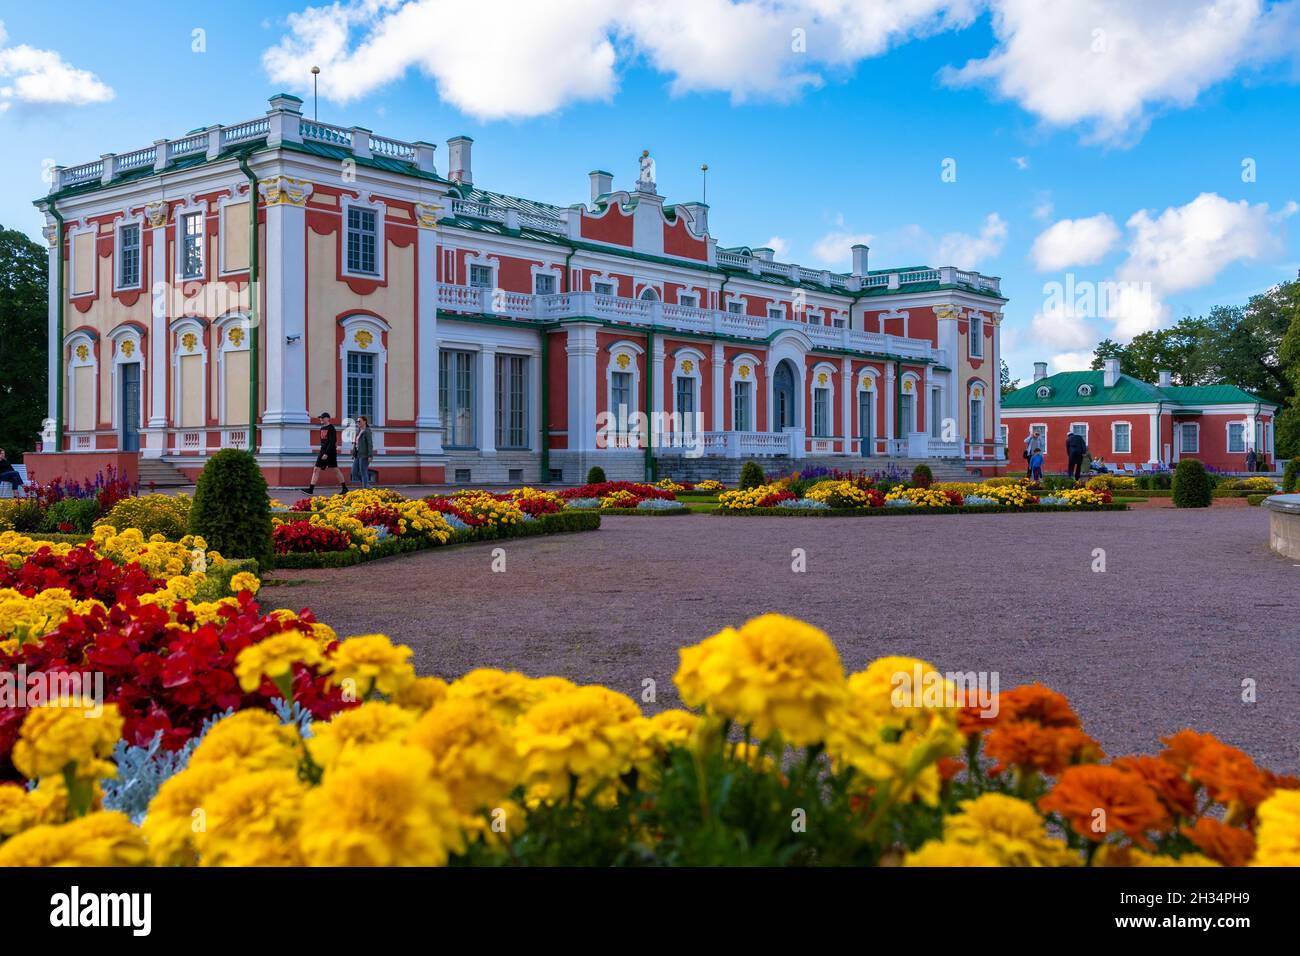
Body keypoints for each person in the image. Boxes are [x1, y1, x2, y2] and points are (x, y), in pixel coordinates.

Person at [302, 412, 348, 496]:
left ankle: (344, 488)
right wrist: (323, 451)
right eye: (320, 418)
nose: (321, 419)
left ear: (327, 418)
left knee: (335, 470)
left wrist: (326, 453)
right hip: (323, 451)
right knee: (316, 469)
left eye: (322, 418)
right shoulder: (322, 428)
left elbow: (332, 442)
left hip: (330, 453)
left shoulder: (331, 428)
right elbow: (324, 442)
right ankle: (310, 489)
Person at [351, 415, 374, 490]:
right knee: (354, 472)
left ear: (364, 422)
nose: (358, 422)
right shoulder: (358, 431)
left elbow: (370, 444)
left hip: (364, 455)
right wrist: (353, 453)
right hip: (357, 454)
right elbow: (355, 443)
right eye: (357, 421)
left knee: (363, 472)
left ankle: (365, 489)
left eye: (359, 421)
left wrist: (370, 455)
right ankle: (367, 485)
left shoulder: (367, 431)